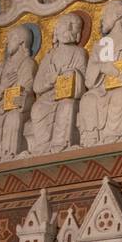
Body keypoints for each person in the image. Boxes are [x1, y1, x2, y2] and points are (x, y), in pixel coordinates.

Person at [78, 0, 122, 145]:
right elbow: (89, 81)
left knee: (121, 94)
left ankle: (114, 135)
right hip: (101, 88)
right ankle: (91, 137)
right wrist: (102, 67)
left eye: (106, 14)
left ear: (118, 16)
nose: (102, 19)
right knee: (88, 99)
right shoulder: (100, 45)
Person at [27, 13, 87, 155]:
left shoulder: (80, 53)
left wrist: (72, 75)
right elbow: (37, 86)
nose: (69, 29)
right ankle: (43, 146)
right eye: (65, 24)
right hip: (48, 96)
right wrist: (51, 80)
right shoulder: (49, 56)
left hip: (69, 95)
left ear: (78, 33)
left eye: (73, 26)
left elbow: (85, 80)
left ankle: (61, 144)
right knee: (37, 108)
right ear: (56, 31)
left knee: (67, 105)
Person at [0, 24, 36, 163]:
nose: (6, 42)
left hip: (19, 106)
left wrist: (15, 100)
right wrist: (1, 88)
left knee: (13, 116)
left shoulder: (28, 63)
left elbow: (26, 88)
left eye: (10, 38)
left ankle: (9, 155)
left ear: (22, 42)